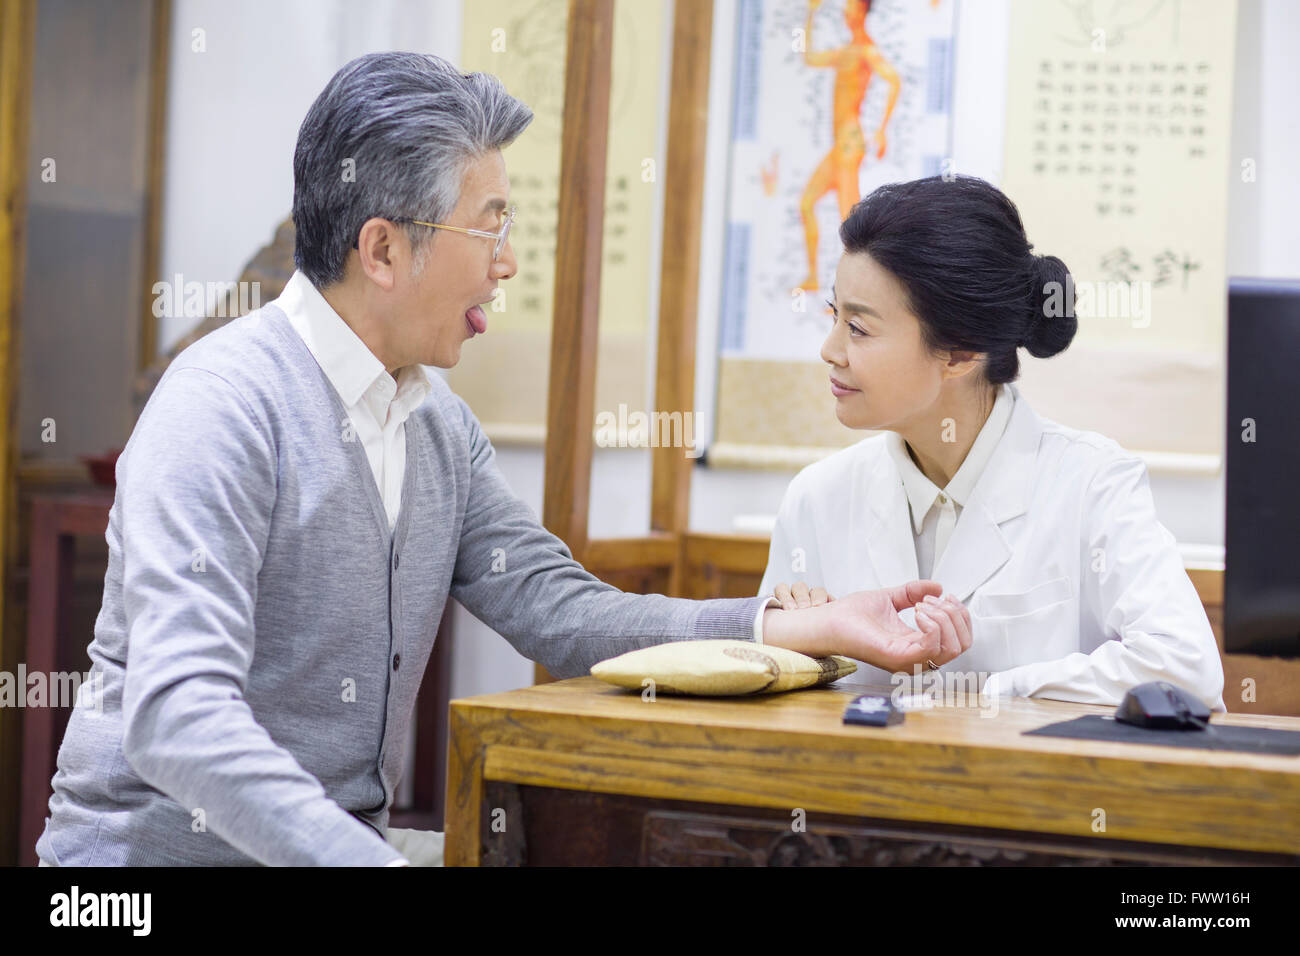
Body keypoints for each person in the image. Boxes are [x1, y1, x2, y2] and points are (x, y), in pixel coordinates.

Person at [35, 53, 971, 867]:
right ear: (383, 249)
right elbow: (176, 716)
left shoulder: (436, 424)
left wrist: (803, 625)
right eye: (489, 227)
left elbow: (563, 613)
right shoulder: (223, 406)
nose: (508, 262)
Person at [761, 174, 1225, 710]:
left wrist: (985, 690)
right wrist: (804, 640)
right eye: (833, 315)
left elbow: (1185, 670)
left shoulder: (1092, 483)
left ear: (960, 353)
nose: (829, 349)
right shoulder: (818, 497)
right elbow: (767, 685)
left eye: (859, 329)